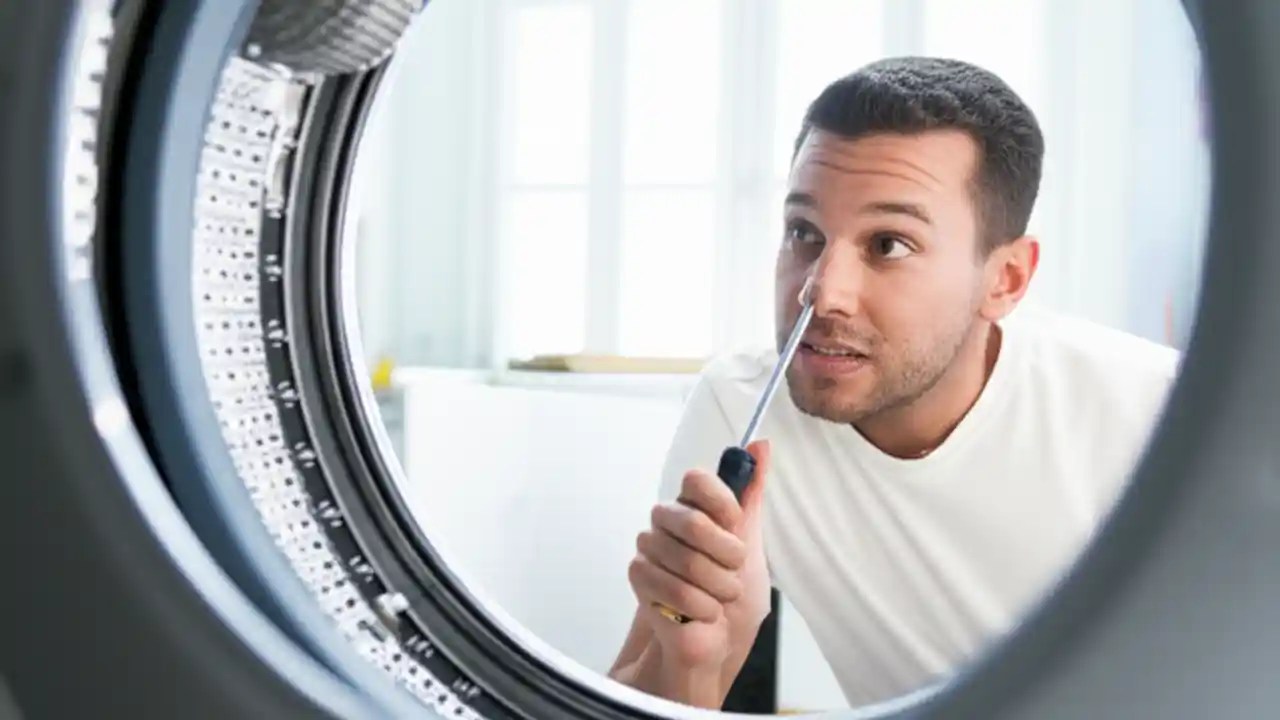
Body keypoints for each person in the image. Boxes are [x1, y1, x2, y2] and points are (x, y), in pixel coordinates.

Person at [606, 57, 1179, 709]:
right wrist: (692, 668)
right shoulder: (739, 409)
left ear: (1007, 279)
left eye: (889, 245)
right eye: (804, 233)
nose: (822, 292)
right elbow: (636, 690)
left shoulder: (1158, 414)